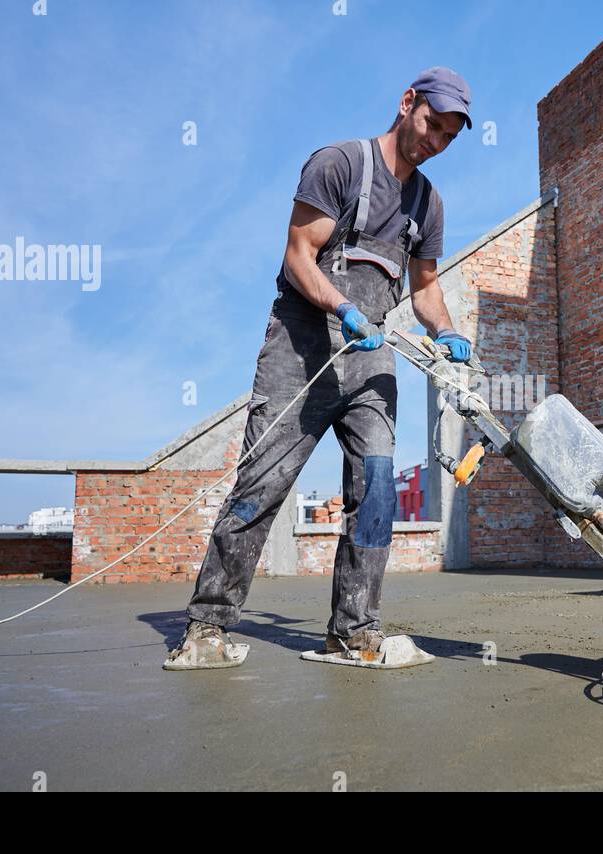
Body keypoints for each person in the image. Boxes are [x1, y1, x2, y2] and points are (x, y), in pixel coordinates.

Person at [165, 67, 475, 670]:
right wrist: (342, 307)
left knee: (378, 490)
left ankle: (353, 631)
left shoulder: (427, 203)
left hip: (371, 356)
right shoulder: (339, 165)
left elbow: (427, 287)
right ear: (407, 102)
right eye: (430, 124)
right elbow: (299, 256)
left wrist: (448, 330)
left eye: (447, 136)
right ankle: (206, 629)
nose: (434, 141)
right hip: (303, 344)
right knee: (264, 483)